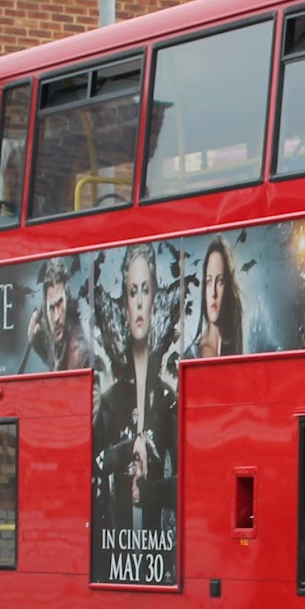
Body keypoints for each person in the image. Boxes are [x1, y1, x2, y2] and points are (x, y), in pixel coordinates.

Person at [93, 244, 178, 575]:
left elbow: (192, 482)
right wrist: (128, 449)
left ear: (154, 300)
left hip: (162, 569)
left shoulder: (169, 401)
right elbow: (87, 465)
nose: (140, 301)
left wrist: (151, 491)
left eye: (146, 290)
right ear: (125, 305)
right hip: (114, 565)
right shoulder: (111, 402)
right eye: (132, 292)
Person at [26, 257, 91, 371]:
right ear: (45, 309)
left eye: (60, 304)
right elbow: (55, 360)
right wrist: (37, 342)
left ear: (67, 299)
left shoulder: (80, 354)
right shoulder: (55, 340)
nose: (56, 317)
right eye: (51, 308)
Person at [183, 236, 244, 358]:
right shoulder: (192, 355)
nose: (213, 293)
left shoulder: (234, 344)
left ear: (228, 287)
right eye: (209, 282)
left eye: (220, 281)